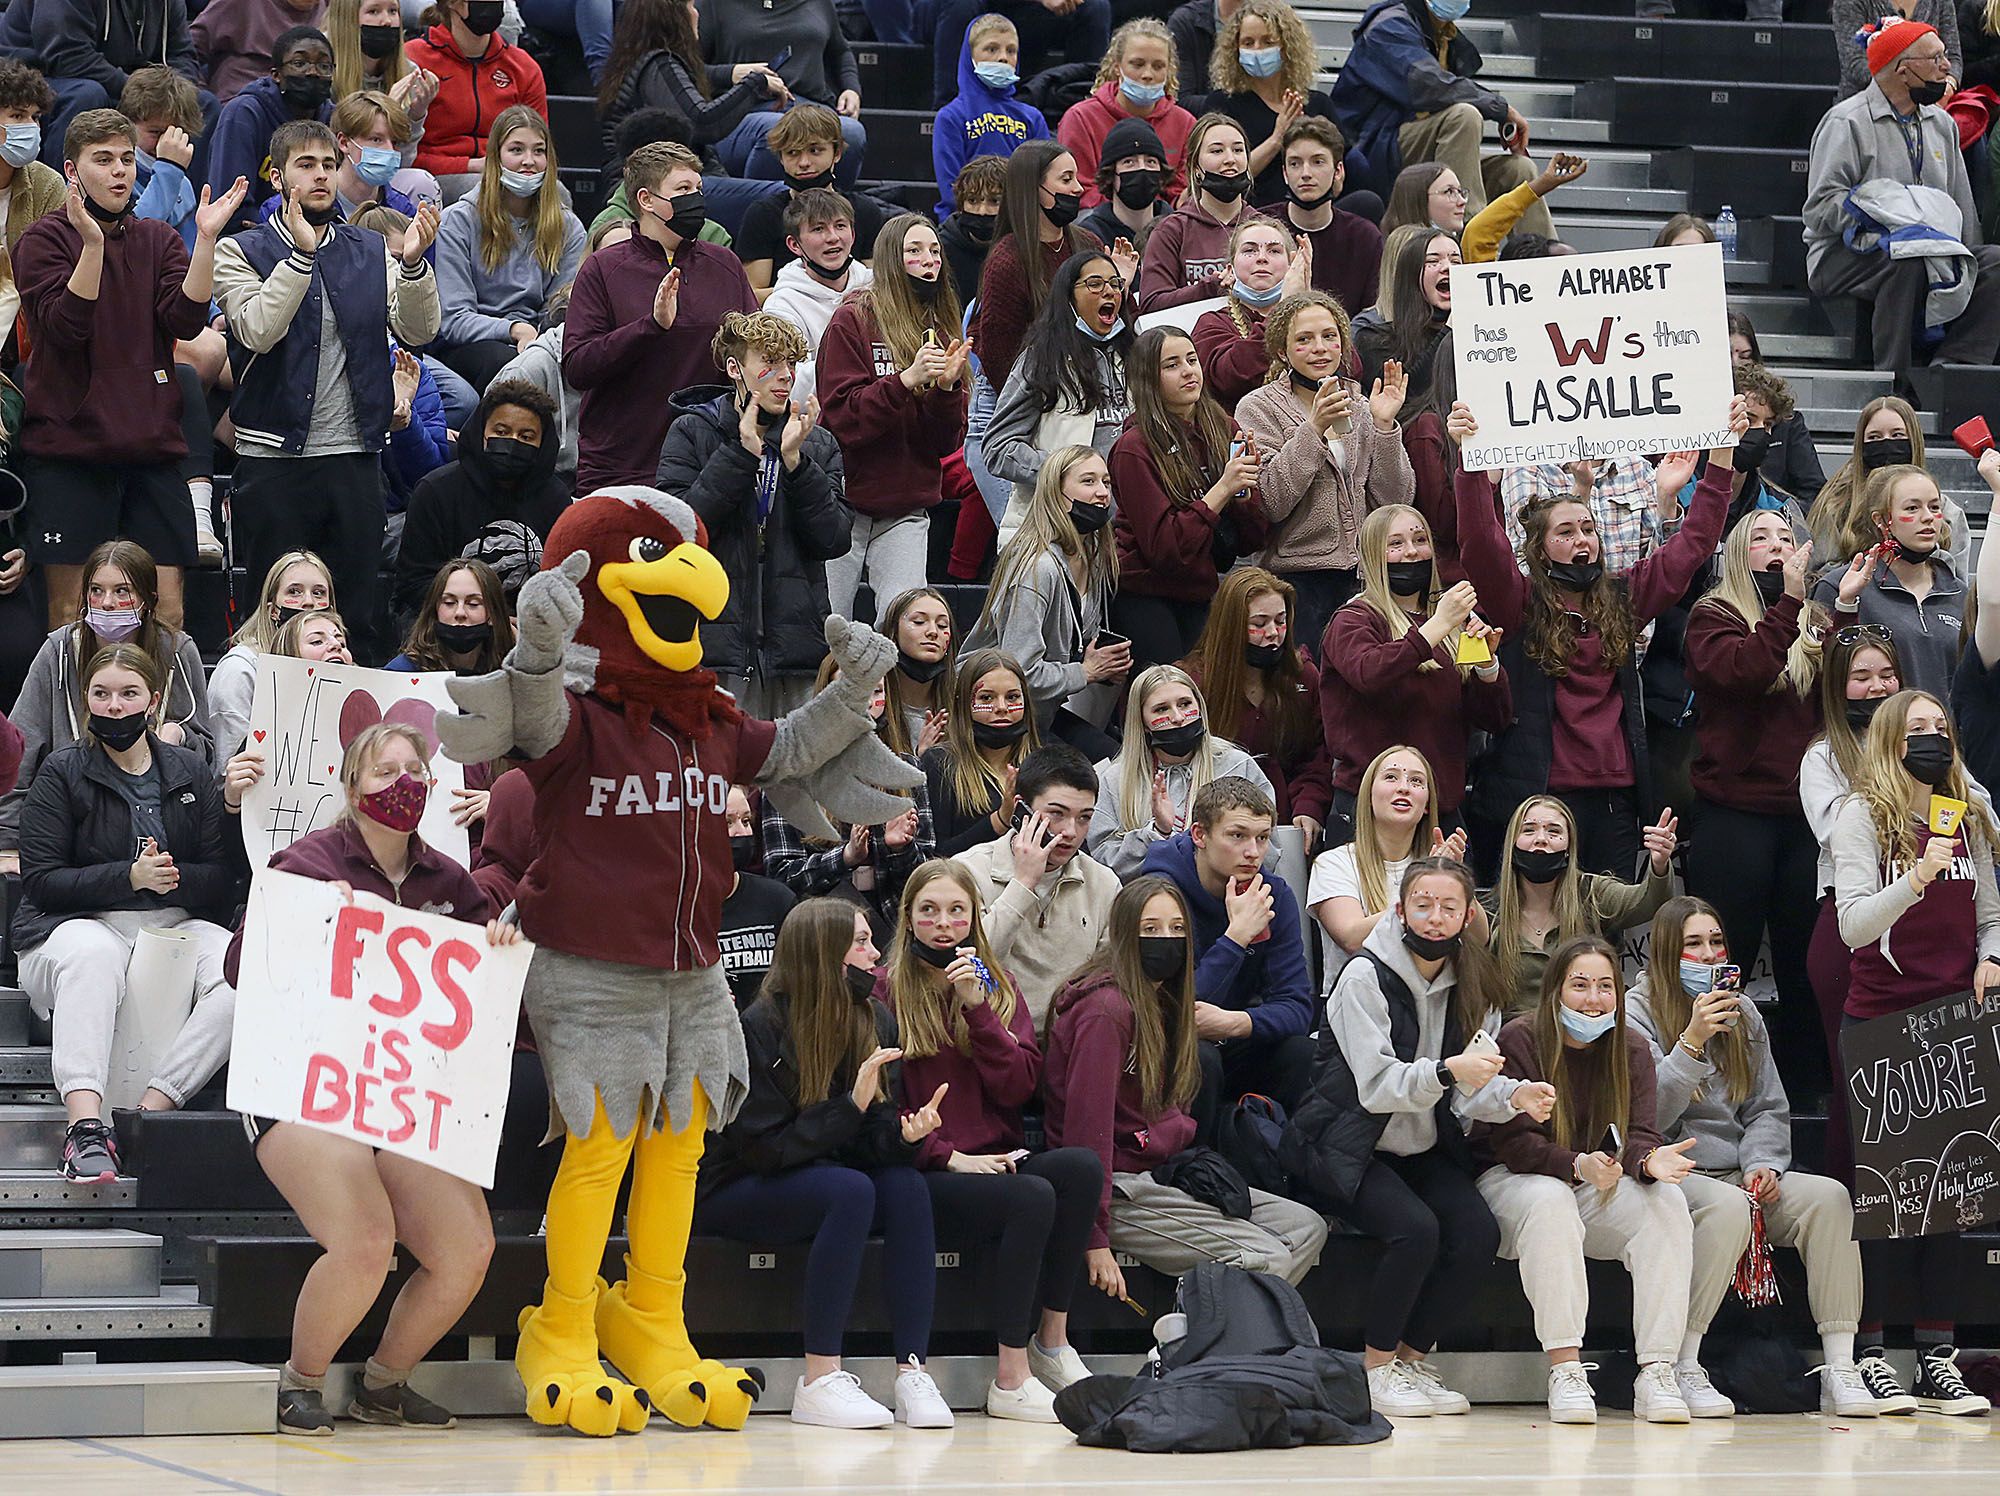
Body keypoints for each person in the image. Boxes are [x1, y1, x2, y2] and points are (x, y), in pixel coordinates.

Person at [225, 721, 505, 1435]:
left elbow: (481, 1004)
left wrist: (501, 947)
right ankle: (300, 1383)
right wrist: (316, 929)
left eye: (415, 770)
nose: (403, 782)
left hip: (401, 1093)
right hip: (301, 1084)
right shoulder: (307, 862)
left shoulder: (453, 881)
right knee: (366, 1240)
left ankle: (384, 1385)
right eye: (386, 772)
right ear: (352, 787)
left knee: (466, 1250)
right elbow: (238, 968)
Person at [1285, 856, 1549, 1419]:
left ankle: (1408, 1359)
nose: (1435, 918)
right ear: (1400, 909)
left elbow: (1469, 1090)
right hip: (1343, 1145)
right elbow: (1377, 1089)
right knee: (1416, 1230)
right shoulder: (1363, 976)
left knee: (1478, 1232)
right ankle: (1374, 1370)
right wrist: (1452, 1070)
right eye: (1423, 905)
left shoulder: (1476, 980)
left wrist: (1513, 1097)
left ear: (1467, 915)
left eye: (1448, 907)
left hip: (1419, 1144)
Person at [1626, 896, 1894, 1418]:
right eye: (1693, 945)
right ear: (1664, 952)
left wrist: (1763, 1165)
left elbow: (1769, 1106)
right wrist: (1692, 1043)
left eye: (1716, 942)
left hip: (1739, 1171)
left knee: (1830, 1199)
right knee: (1727, 1210)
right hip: (1671, 1171)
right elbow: (1646, 1116)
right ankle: (1684, 1363)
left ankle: (1840, 1366)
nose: (1709, 955)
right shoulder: (1635, 1013)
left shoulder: (1744, 1010)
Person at [695, 896, 953, 1430]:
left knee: (906, 1184)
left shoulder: (875, 1019)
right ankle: (819, 1378)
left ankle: (912, 1370)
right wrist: (850, 1107)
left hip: (822, 1175)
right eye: (859, 942)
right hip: (737, 1186)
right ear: (821, 952)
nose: (874, 953)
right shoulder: (759, 1026)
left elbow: (869, 1142)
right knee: (850, 1190)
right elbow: (765, 1150)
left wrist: (903, 1138)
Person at [1455, 397, 1740, 877]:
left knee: (1603, 935)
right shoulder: (1520, 601)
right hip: (1538, 795)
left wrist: (1723, 457)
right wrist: (1470, 463)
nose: (1583, 539)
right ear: (1540, 550)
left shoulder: (1623, 596)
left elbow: (1693, 545)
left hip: (1615, 797)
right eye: (1565, 532)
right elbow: (1480, 543)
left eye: (1588, 528)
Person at [881, 858, 1101, 1420]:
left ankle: (1051, 1341)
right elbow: (881, 1108)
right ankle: (1009, 1377)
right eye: (928, 911)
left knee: (1078, 1169)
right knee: (1031, 1196)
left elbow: (1019, 1088)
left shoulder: (996, 986)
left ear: (975, 919)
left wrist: (979, 1012)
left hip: (995, 1156)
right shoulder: (886, 992)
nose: (944, 924)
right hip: (925, 1170)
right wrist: (949, 1156)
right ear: (908, 920)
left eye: (957, 911)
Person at [1829, 689, 1999, 1414]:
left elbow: (1991, 914)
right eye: (1917, 729)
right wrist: (1917, 876)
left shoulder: (1973, 814)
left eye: (1941, 728)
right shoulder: (1861, 815)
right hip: (1883, 1019)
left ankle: (1938, 1353)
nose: (1932, 738)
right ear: (1891, 741)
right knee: (1889, 1203)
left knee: (1954, 1199)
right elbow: (1852, 928)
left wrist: (1993, 956)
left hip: (1958, 1019)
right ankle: (1873, 1353)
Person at [215, 119, 441, 663]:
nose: (321, 175)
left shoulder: (370, 250)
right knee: (270, 615)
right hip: (273, 459)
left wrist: (412, 264)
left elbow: (421, 330)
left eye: (328, 165)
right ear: (276, 177)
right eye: (305, 164)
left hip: (354, 455)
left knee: (357, 613)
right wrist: (300, 257)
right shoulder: (239, 249)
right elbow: (258, 330)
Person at [15, 642, 236, 1183]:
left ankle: (148, 1115)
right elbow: (41, 881)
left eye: (129, 693)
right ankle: (85, 1129)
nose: (114, 705)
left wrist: (170, 879)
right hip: (68, 930)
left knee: (243, 966)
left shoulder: (189, 769)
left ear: (154, 701)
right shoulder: (61, 771)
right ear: (86, 700)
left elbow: (221, 876)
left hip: (172, 923)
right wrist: (127, 876)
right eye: (102, 694)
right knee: (92, 954)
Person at [14, 110, 241, 633]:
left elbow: (184, 319)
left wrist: (204, 240)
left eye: (126, 159)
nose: (120, 171)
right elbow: (67, 328)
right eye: (104, 160)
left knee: (167, 613)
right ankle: (72, 715)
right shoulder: (42, 241)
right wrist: (92, 244)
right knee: (70, 617)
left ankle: (163, 717)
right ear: (73, 172)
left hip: (150, 450)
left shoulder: (158, 239)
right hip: (69, 454)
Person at [1044, 875, 1329, 1289]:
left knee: (1307, 1229)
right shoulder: (1106, 1011)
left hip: (1163, 1172)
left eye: (1177, 929)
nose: (1166, 939)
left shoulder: (1161, 999)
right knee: (1266, 1256)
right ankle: (1203, 1346)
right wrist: (1094, 1236)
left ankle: (1211, 1335)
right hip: (1116, 1189)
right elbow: (1089, 1134)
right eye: (1151, 929)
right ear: (1124, 935)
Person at [1682, 509, 1830, 1092]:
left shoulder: (1813, 618)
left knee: (1803, 962)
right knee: (1726, 957)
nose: (1776, 545)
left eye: (1786, 537)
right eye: (1761, 537)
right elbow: (1744, 672)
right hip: (1733, 813)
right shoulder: (1711, 616)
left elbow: (1837, 704)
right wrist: (1789, 605)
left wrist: (1836, 612)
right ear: (1738, 552)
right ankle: (1715, 1085)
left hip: (1802, 820)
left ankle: (1804, 1090)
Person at [655, 310, 849, 718]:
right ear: (734, 369)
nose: (785, 375)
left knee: (794, 779)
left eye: (791, 364)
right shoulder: (693, 431)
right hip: (715, 645)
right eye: (770, 363)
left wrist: (797, 464)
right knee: (722, 778)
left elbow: (833, 539)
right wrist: (738, 457)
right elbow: (677, 532)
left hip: (795, 647)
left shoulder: (816, 443)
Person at [1806, 18, 2000, 390]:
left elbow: (1963, 210)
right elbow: (1819, 210)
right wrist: (1880, 217)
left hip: (1933, 248)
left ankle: (1954, 368)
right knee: (1905, 259)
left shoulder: (1942, 123)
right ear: (1902, 69)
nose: (1947, 67)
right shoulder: (1846, 121)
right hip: (1844, 254)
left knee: (1992, 261)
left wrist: (1967, 255)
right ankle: (1893, 382)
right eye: (1936, 58)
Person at [1, 540, 215, 875]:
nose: (108, 603)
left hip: (160, 823)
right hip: (75, 820)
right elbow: (20, 755)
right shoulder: (58, 651)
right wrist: (7, 842)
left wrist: (181, 737)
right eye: (97, 591)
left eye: (122, 591)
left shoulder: (177, 649)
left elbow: (208, 755)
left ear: (147, 600)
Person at [563, 140, 757, 492]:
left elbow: (751, 354)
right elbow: (578, 367)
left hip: (708, 467)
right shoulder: (603, 268)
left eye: (698, 188)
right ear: (646, 200)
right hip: (621, 468)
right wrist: (649, 327)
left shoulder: (725, 264)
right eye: (683, 189)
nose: (695, 198)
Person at [1320, 505, 1507, 846]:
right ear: (1372, 556)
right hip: (1369, 810)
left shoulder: (1451, 622)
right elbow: (1369, 672)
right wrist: (1435, 628)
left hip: (1440, 809)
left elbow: (1494, 718)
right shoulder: (1353, 620)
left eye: (1420, 540)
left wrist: (1487, 665)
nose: (1411, 551)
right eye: (1395, 544)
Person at [818, 213, 970, 619]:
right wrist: (904, 381)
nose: (929, 260)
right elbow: (842, 418)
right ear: (889, 259)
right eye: (914, 250)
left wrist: (947, 391)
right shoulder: (852, 319)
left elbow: (944, 444)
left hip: (905, 506)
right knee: (829, 625)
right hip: (844, 504)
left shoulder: (941, 324)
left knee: (904, 626)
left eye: (935, 251)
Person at [1237, 291, 1413, 642]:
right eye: (1304, 339)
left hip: (1365, 576)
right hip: (1298, 580)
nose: (1320, 347)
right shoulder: (1257, 408)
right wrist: (1314, 428)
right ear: (1282, 351)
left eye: (1329, 336)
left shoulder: (1362, 403)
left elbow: (1396, 500)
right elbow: (1271, 500)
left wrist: (1383, 426)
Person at [1142, 775, 1314, 1132]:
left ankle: (1277, 1161)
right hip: (1163, 1047)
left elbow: (1298, 1007)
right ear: (1200, 836)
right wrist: (1235, 938)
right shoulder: (1160, 893)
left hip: (1231, 1033)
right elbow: (1170, 1009)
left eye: (1262, 838)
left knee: (1302, 1053)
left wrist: (1236, 1023)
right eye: (1237, 836)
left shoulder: (1273, 895)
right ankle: (1194, 1164)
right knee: (1200, 1056)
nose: (1253, 852)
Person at [1108, 328, 1265, 664]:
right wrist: (1221, 489)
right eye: (1172, 365)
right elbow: (1166, 550)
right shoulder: (1133, 448)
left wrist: (1242, 498)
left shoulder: (1222, 426)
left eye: (1192, 360)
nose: (1188, 371)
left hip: (1202, 587)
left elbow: (1253, 539)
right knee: (1166, 691)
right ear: (1148, 378)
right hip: (1146, 592)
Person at [1328, 0, 1542, 227]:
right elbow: (1427, 84)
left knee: (1520, 171)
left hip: (1423, 152)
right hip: (1375, 150)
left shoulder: (1446, 36)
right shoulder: (1388, 26)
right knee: (1463, 116)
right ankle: (1467, 240)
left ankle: (1543, 255)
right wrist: (1500, 108)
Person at [951, 743, 1120, 1029]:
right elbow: (975, 969)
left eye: (1084, 818)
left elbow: (1106, 982)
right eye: (1057, 814)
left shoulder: (1104, 884)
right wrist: (1023, 883)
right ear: (1021, 808)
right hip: (991, 1034)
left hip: (1070, 1039)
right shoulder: (968, 871)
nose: (1070, 832)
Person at [760, 656, 933, 933]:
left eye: (875, 691)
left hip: (893, 924)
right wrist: (845, 858)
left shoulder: (907, 770)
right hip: (820, 930)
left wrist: (901, 850)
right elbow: (782, 879)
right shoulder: (788, 775)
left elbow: (927, 880)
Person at [982, 249, 1133, 546]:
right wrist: (1063, 472)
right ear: (1069, 297)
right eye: (1094, 284)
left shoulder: (1135, 357)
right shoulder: (1042, 360)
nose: (1109, 291)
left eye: (1115, 284)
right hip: (1050, 535)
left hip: (1122, 538)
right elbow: (997, 448)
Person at [594, 0, 786, 232]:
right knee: (783, 198)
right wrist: (754, 84)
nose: (697, 14)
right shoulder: (660, 64)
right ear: (674, 17)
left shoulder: (643, 60)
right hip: (652, 184)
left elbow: (693, 78)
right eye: (692, 7)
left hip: (671, 178)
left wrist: (733, 73)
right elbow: (703, 123)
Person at [430, 106, 583, 396]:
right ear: (495, 158)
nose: (529, 161)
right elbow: (453, 319)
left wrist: (536, 338)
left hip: (539, 339)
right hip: (471, 344)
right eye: (516, 150)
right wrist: (514, 329)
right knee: (506, 363)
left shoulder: (568, 227)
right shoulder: (458, 220)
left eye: (538, 151)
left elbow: (564, 309)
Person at [1484, 794, 1676, 1016]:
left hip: (1584, 1027)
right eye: (1528, 830)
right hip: (1514, 1039)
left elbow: (1649, 902)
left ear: (1569, 847)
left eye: (1554, 831)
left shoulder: (1591, 892)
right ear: (1512, 843)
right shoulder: (1490, 909)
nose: (1541, 839)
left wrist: (1660, 862)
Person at [394, 380, 567, 619]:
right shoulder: (436, 491)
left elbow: (562, 584)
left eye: (526, 436)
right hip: (448, 620)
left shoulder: (556, 499)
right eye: (501, 432)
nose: (512, 442)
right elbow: (414, 584)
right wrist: (485, 620)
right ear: (481, 431)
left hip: (529, 627)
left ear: (542, 444)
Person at [1180, 568, 1329, 842]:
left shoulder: (1303, 676)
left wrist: (1310, 806)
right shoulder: (1193, 683)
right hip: (1212, 825)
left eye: (1281, 621)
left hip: (1285, 826)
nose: (1273, 633)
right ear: (1231, 626)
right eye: (1259, 624)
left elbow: (1316, 756)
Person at [1088, 663, 1272, 878]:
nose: (1177, 717)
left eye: (1185, 704)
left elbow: (1269, 846)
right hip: (1149, 900)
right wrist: (1156, 832)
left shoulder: (1237, 765)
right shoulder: (1116, 779)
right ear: (1143, 723)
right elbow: (1103, 861)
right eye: (1161, 709)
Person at [976, 141, 1120, 390]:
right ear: (1033, 188)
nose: (1078, 188)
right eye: (1066, 179)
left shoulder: (1089, 243)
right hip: (1032, 395)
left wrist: (1121, 287)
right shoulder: (1007, 261)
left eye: (1076, 178)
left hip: (1090, 387)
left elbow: (1115, 329)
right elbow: (998, 357)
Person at [1814, 465, 1966, 698]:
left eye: (1934, 507)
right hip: (1874, 731)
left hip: (1944, 731)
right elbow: (1824, 677)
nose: (1927, 517)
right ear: (1882, 520)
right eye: (1912, 508)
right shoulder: (1838, 586)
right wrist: (1846, 604)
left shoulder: (1960, 593)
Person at [0, 0, 204, 171]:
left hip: (127, 81)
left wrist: (174, 91)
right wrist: (140, 90)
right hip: (38, 75)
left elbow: (183, 55)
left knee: (202, 102)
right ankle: (65, 198)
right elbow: (67, 56)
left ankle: (190, 206)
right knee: (87, 96)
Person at [1307, 744, 1453, 979]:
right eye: (1391, 777)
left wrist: (1455, 879)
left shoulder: (1438, 864)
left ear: (1427, 804)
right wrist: (1425, 885)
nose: (1404, 787)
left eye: (1416, 781)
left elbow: (1479, 939)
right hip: (1357, 1005)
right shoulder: (1333, 864)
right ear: (1369, 795)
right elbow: (1352, 938)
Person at [699, 0, 867, 184]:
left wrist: (851, 89)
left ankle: (831, 207)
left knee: (853, 133)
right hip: (742, 111)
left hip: (811, 108)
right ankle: (764, 209)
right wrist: (732, 73)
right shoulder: (713, 4)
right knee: (778, 131)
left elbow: (840, 51)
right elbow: (687, 69)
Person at [1194, 0, 1338, 203]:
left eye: (1268, 42)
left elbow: (1338, 173)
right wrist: (1276, 140)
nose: (1257, 49)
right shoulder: (1222, 104)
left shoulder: (1318, 104)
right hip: (1251, 213)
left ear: (1286, 47)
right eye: (1248, 42)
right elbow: (1224, 177)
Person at [735, 105, 889, 293]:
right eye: (792, 152)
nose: (804, 162)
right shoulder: (763, 214)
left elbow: (878, 288)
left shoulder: (865, 212)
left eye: (815, 150)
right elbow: (752, 295)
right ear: (781, 158)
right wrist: (813, 294)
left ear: (837, 153)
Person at [404, 0, 546, 198]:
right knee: (486, 190)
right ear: (454, 4)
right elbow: (401, 153)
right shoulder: (413, 60)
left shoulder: (523, 67)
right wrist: (471, 165)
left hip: (508, 171)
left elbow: (539, 144)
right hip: (436, 175)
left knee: (557, 193)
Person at [1500, 446, 1698, 583]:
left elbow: (1661, 575)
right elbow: (1531, 568)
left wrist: (1667, 498)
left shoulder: (1636, 467)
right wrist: (1581, 491)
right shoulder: (1526, 467)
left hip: (1630, 632)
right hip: (1556, 633)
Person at [206, 25, 336, 231]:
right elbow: (231, 203)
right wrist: (271, 232)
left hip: (319, 232)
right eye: (300, 63)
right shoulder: (244, 113)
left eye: (324, 66)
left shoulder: (333, 117)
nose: (312, 72)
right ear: (276, 74)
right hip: (252, 239)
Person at [208, 552, 336, 756]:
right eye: (294, 591)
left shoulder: (339, 663)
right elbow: (226, 766)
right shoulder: (241, 669)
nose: (309, 602)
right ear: (272, 610)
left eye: (319, 593)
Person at [1060, 18, 1196, 210]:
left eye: (1158, 66)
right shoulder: (1081, 118)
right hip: (1098, 221)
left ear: (1169, 70)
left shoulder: (1185, 123)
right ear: (1117, 66)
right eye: (1137, 64)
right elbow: (1079, 187)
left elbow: (1181, 191)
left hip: (1165, 223)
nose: (1147, 74)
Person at [920, 648, 1042, 857]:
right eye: (986, 698)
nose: (1002, 707)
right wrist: (1001, 819)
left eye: (1012, 697)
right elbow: (938, 856)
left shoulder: (1042, 762)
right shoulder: (940, 763)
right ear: (964, 704)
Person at [1134, 112, 1258, 311]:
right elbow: (1151, 304)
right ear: (1195, 167)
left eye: (1238, 150)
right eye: (1217, 151)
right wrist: (1208, 288)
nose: (1230, 159)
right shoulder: (1171, 231)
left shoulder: (1264, 227)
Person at [760, 188, 873, 399]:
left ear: (853, 234)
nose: (832, 237)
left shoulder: (878, 287)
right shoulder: (781, 304)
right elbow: (789, 383)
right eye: (818, 229)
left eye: (840, 226)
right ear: (794, 244)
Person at [933, 15, 1051, 216]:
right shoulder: (951, 116)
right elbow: (950, 188)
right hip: (966, 221)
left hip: (1020, 221)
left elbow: (1043, 180)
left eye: (1011, 50)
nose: (1003, 57)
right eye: (992, 49)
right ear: (969, 56)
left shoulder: (1033, 118)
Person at [1267, 116, 1384, 314]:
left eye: (1317, 162)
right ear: (1285, 174)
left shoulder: (1365, 237)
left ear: (1338, 171)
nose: (1305, 173)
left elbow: (1372, 317)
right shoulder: (1262, 228)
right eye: (1295, 164)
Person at [1190, 217, 1309, 407]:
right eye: (1249, 250)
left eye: (1274, 251)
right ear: (1230, 270)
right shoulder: (1212, 323)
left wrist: (1307, 306)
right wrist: (1285, 307)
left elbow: (1351, 369)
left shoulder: (1317, 317)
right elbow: (1229, 379)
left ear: (1292, 265)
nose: (1261, 258)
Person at [928, 0, 1111, 109]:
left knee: (1095, 7)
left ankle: (1080, 111)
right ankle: (948, 110)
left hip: (1025, 13)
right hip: (953, 11)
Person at [1355, 226, 1457, 404]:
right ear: (1410, 275)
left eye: (1456, 261)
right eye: (1433, 261)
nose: (1448, 267)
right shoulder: (1374, 339)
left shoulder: (1479, 334)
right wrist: (1449, 330)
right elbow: (1411, 394)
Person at [716, 785, 795, 1007]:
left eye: (746, 821)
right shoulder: (675, 910)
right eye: (728, 823)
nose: (741, 832)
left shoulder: (777, 900)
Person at [331, 0, 437, 146]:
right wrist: (387, 109)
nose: (387, 21)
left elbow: (403, 161)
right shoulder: (325, 70)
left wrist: (416, 116)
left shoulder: (409, 73)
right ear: (347, 19)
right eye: (373, 11)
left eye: (393, 11)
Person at [386, 558, 515, 677]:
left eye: (473, 604)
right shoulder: (401, 672)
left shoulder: (510, 670)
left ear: (492, 614)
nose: (460, 613)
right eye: (449, 603)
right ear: (434, 610)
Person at [1729, 350, 1824, 508]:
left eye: (1768, 424)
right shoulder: (1680, 489)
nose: (1761, 430)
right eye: (1749, 419)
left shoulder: (1779, 506)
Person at [877, 586, 955, 758]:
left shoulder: (960, 704)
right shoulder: (870, 704)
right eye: (919, 622)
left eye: (942, 625)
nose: (933, 632)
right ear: (893, 632)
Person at [1074, 116, 1170, 252]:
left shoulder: (1179, 228)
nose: (1142, 168)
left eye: (1151, 161)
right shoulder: (1090, 236)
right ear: (1111, 174)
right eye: (1129, 162)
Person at [1838, 0, 1963, 97]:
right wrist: (1907, 90)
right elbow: (1855, 63)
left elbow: (1953, 57)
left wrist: (1949, 85)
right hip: (1866, 107)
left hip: (1931, 103)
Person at [939, 154, 1006, 302]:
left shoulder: (1022, 248)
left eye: (994, 201)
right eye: (972, 200)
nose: (982, 211)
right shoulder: (941, 250)